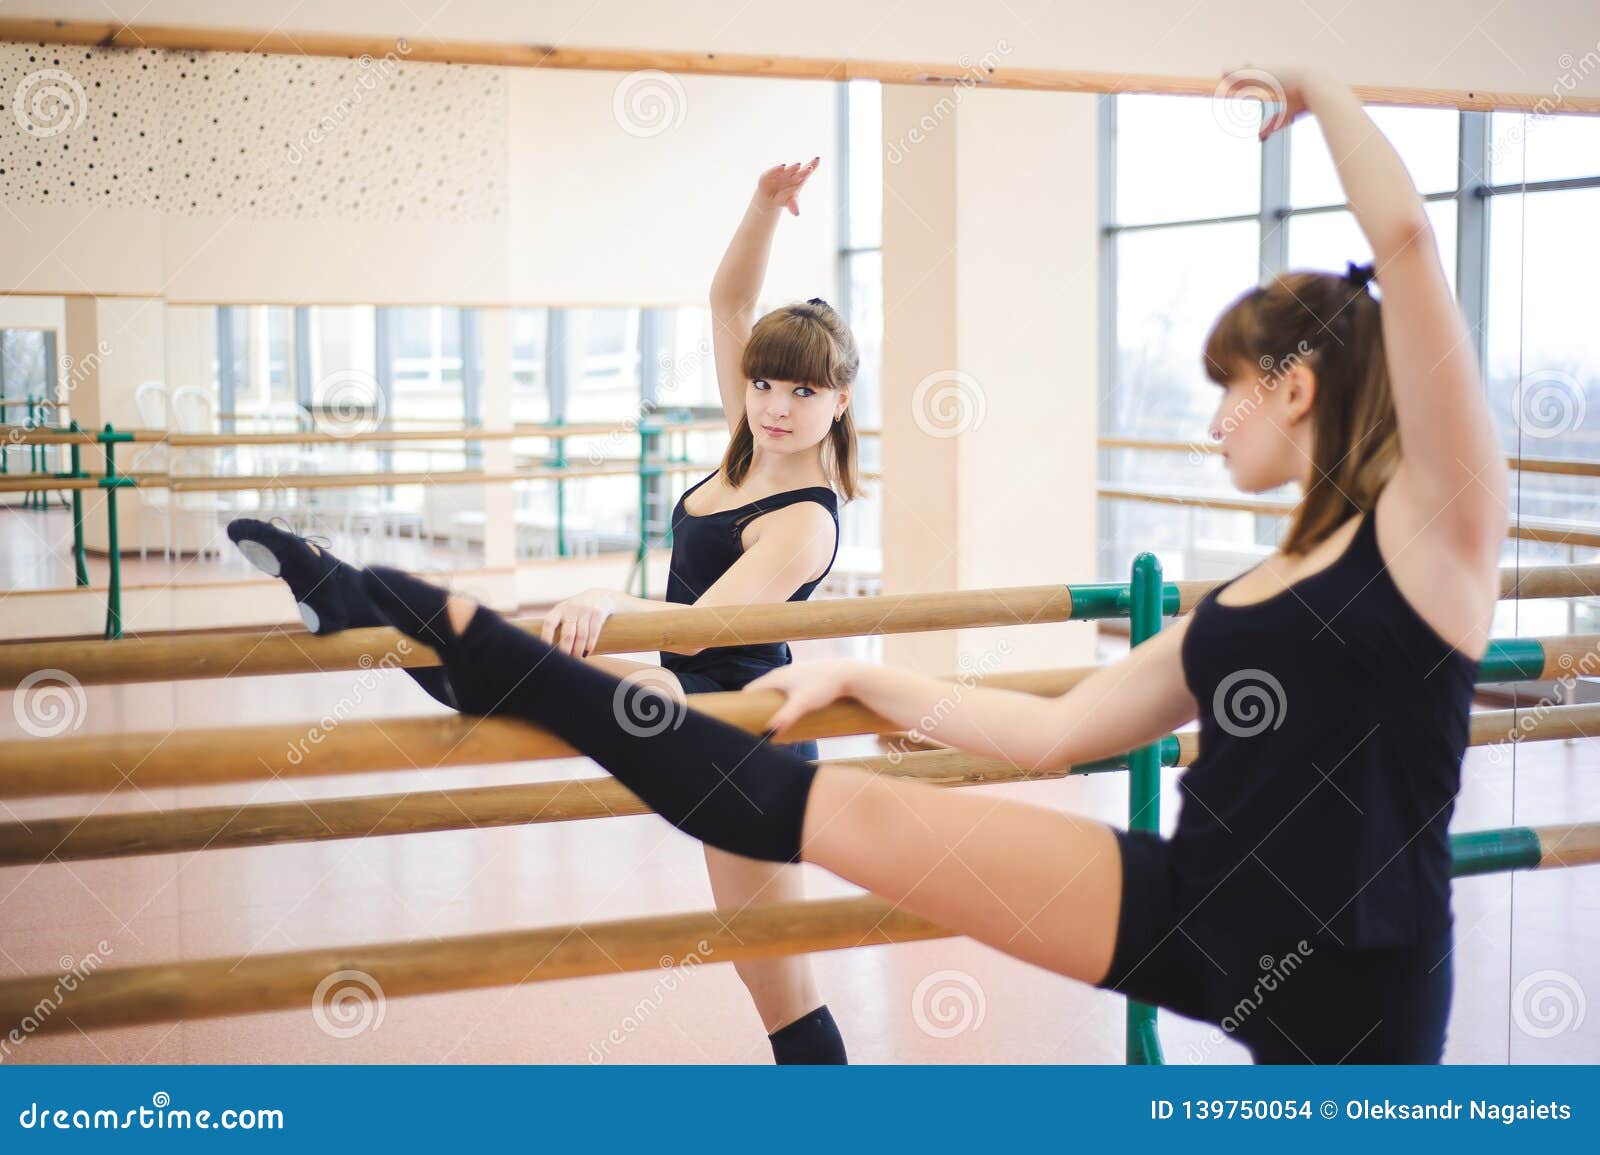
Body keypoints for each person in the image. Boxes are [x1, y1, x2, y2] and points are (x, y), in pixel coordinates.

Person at [352, 70, 1506, 1064]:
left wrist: (1321, 84)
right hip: (1195, 902)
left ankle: (485, 656)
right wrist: (862, 679)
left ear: (1293, 388)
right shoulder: (1259, 586)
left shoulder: (1439, 537)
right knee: (810, 805)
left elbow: (1407, 246)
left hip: (1363, 962)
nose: (1212, 423)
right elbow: (1057, 734)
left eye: (1226, 392)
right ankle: (490, 659)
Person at [227, 157, 862, 1064]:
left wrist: (607, 598)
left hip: (742, 726)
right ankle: (354, 601)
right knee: (768, 975)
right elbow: (728, 302)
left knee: (780, 982)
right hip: (690, 696)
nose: (775, 405)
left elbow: (703, 631)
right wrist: (762, 204)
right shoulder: (748, 442)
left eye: (803, 392)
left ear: (840, 402)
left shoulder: (804, 521)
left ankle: (355, 600)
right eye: (764, 383)